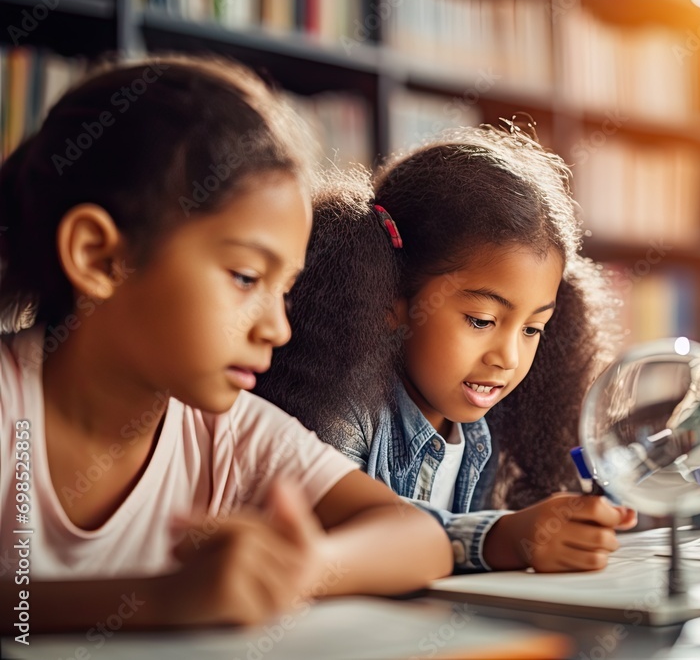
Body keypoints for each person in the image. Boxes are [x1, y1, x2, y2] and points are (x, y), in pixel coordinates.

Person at [0, 56, 451, 632]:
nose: (278, 329)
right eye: (245, 277)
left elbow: (420, 539)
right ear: (99, 256)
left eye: (285, 288)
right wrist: (160, 600)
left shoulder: (231, 432)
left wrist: (307, 564)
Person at [256, 125, 636, 573]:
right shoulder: (342, 407)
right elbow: (341, 537)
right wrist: (501, 537)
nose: (508, 358)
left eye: (533, 329)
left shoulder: (488, 427)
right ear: (390, 301)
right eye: (481, 321)